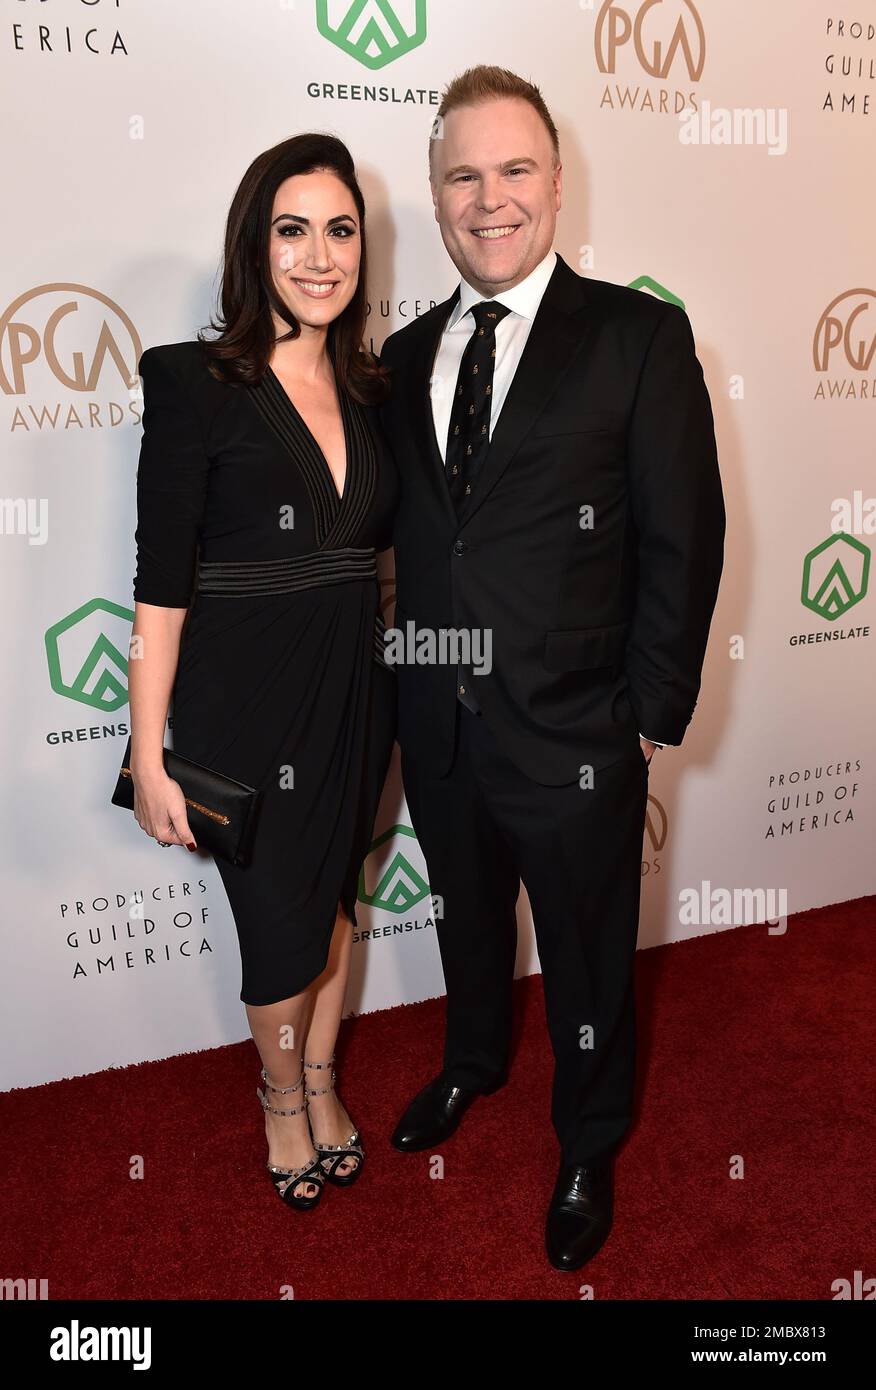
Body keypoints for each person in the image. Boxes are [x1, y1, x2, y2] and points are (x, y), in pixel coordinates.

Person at [379, 66, 725, 1270]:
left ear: (558, 181)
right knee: (466, 920)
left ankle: (588, 1139)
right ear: (435, 193)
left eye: (514, 169)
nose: (490, 199)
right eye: (463, 175)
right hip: (440, 719)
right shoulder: (401, 355)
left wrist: (648, 713)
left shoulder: (636, 336)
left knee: (585, 955)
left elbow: (686, 534)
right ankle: (473, 1061)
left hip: (579, 731)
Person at [127, 134, 397, 1210]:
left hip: (355, 692)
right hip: (242, 700)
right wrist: (149, 752)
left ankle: (321, 1079)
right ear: (254, 243)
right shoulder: (192, 382)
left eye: (340, 231)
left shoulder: (372, 389)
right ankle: (280, 1096)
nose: (320, 256)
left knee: (332, 900)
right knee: (280, 923)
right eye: (293, 231)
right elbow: (159, 585)